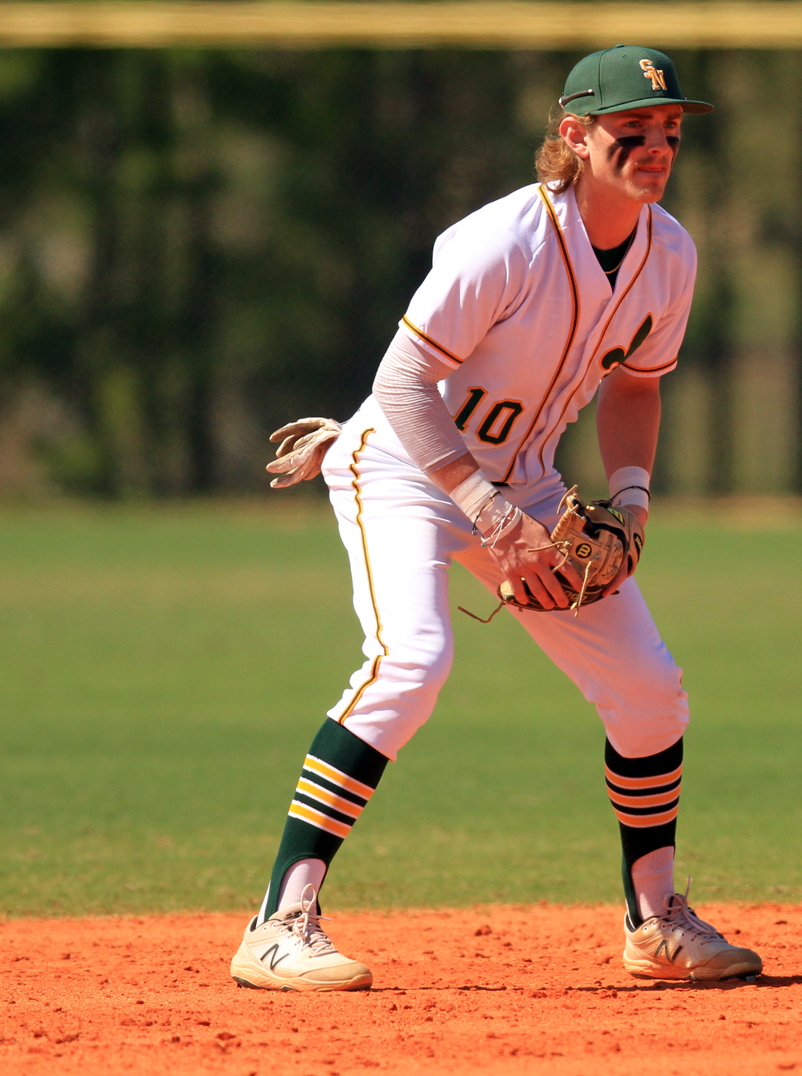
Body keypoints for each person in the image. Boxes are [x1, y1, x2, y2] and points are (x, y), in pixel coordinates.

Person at [229, 45, 761, 992]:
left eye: (670, 128)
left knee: (649, 689)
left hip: (528, 485)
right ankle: (279, 923)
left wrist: (632, 503)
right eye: (632, 127)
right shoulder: (504, 242)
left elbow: (637, 387)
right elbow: (403, 381)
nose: (656, 144)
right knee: (413, 662)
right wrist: (487, 511)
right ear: (575, 135)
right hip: (404, 468)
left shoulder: (670, 253)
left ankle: (655, 923)